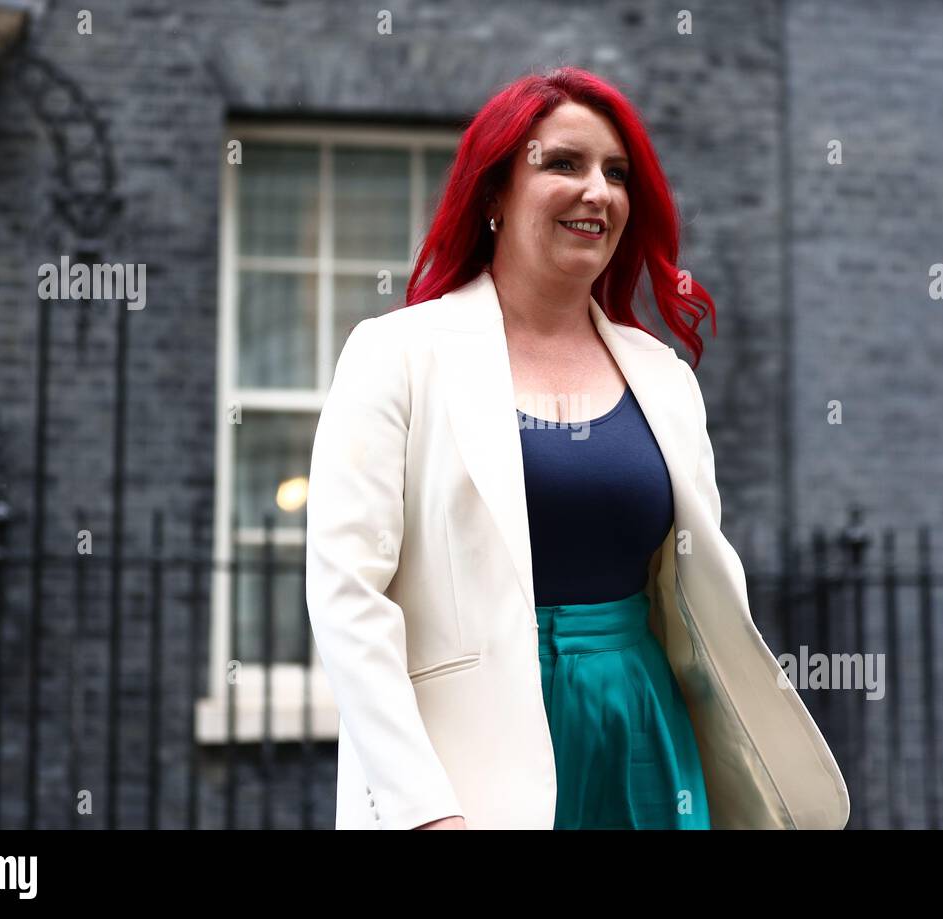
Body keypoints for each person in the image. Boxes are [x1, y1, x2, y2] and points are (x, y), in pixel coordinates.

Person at [306, 66, 849, 830]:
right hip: (470, 765)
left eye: (617, 173)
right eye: (564, 164)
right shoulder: (395, 353)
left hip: (643, 733)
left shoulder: (663, 377)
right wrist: (423, 810)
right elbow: (347, 599)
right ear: (493, 193)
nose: (599, 190)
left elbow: (693, 596)